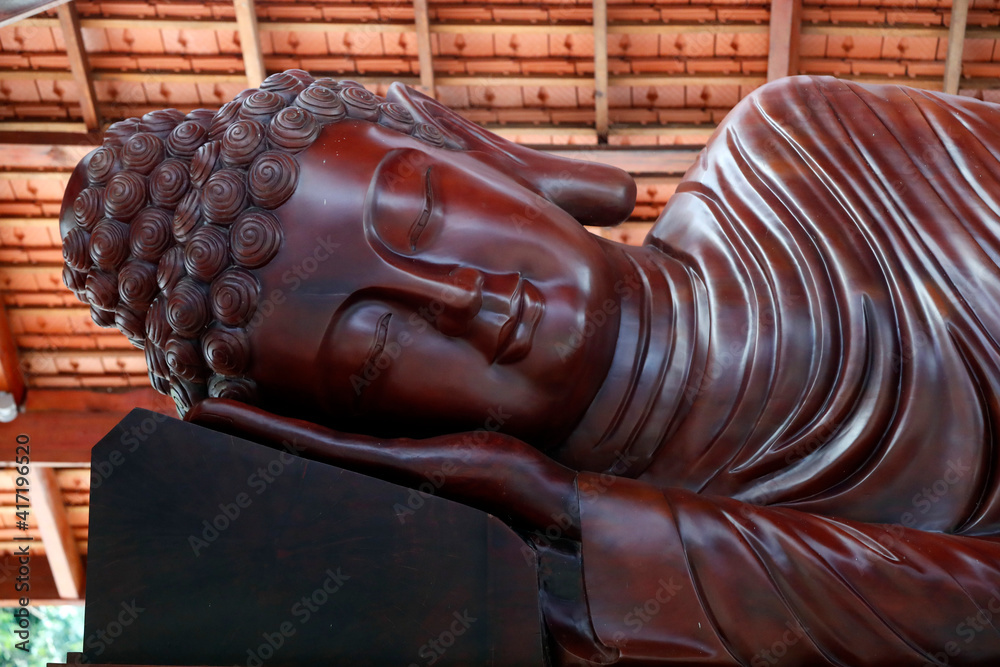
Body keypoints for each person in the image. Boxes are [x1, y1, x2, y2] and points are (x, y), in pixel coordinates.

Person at [61, 69, 1000, 665]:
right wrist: (573, 515)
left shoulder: (807, 154)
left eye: (422, 210)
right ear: (373, 437)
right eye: (378, 345)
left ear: (470, 146)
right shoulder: (611, 593)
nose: (462, 295)